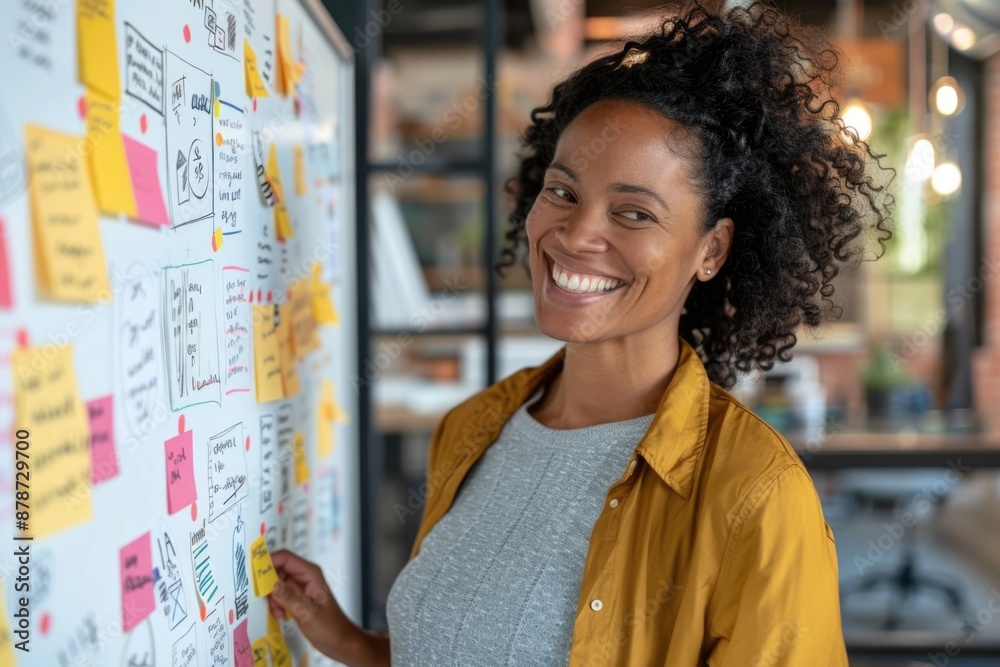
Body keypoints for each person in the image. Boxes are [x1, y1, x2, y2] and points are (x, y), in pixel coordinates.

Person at [269, 1, 893, 664]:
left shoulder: (756, 495)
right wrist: (349, 640)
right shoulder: (473, 428)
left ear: (711, 249)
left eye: (632, 212)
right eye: (563, 192)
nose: (575, 233)